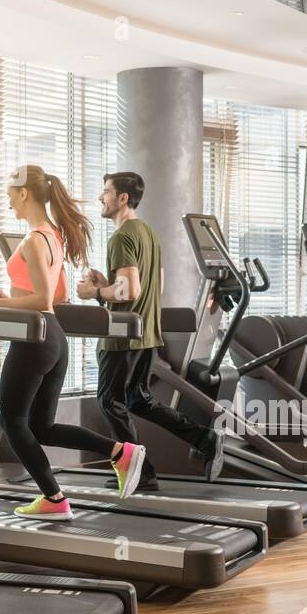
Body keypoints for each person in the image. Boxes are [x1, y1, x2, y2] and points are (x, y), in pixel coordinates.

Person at [0, 165, 147, 521]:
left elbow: (41, 300)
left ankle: (54, 499)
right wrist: (11, 295)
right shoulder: (53, 236)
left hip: (34, 339)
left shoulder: (35, 238)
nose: (8, 203)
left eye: (9, 195)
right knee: (42, 427)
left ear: (24, 193)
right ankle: (120, 452)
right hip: (54, 340)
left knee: (12, 421)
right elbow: (60, 293)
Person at [77, 172, 223, 488]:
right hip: (146, 335)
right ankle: (204, 438)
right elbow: (152, 286)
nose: (100, 198)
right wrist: (108, 286)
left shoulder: (121, 237)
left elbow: (129, 291)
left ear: (122, 198)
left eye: (105, 192)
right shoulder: (148, 234)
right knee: (138, 400)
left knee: (109, 402)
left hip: (121, 339)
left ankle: (139, 471)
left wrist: (94, 293)